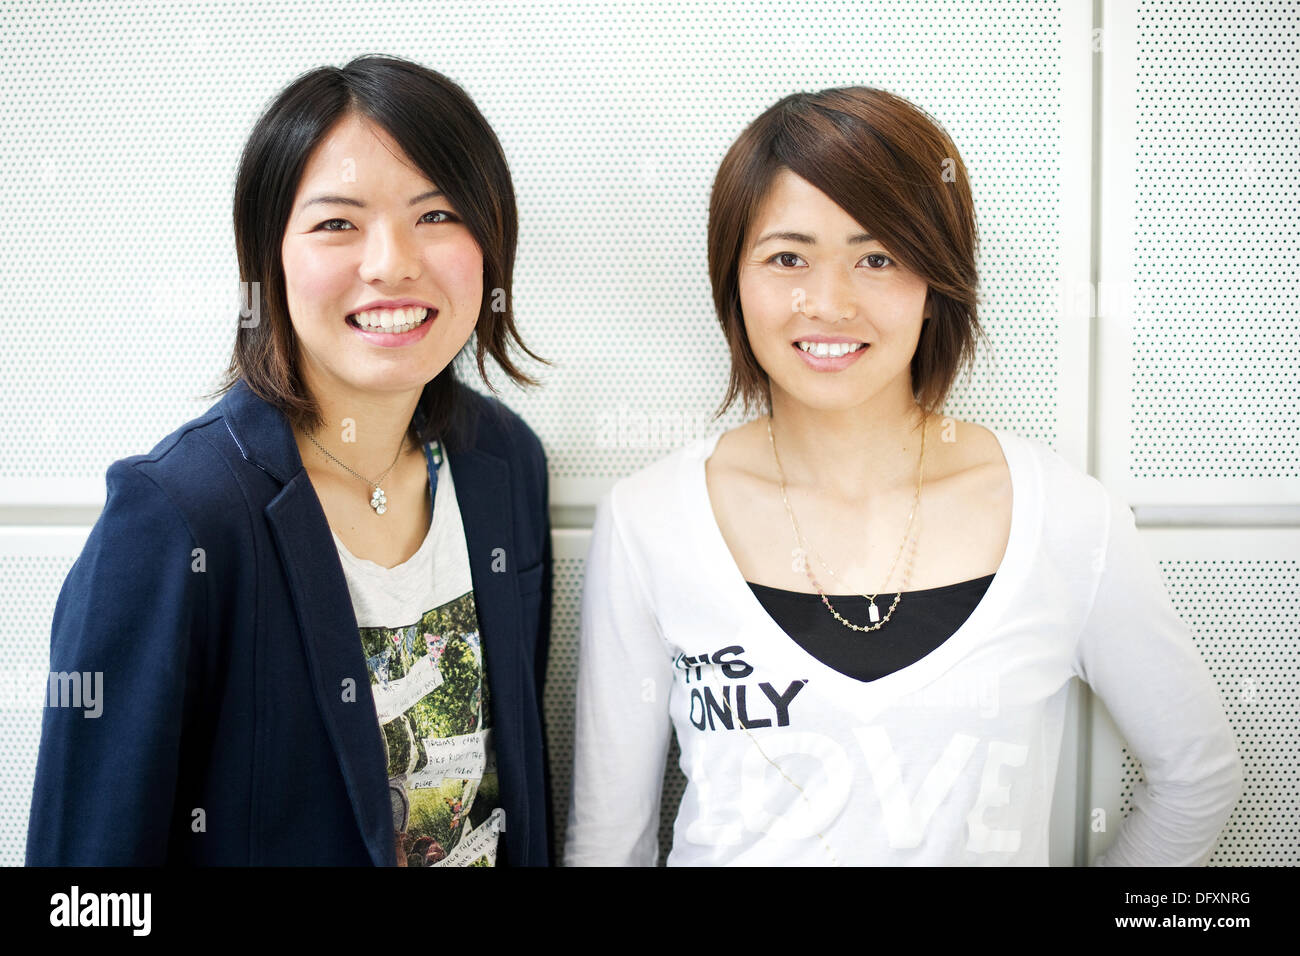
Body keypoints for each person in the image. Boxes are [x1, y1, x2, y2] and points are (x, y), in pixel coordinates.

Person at [564, 86, 1243, 866]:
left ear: (933, 285)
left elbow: (1197, 775)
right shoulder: (651, 520)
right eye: (788, 257)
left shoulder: (1063, 519)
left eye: (877, 258)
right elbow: (606, 844)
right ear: (734, 279)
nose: (828, 302)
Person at [26, 55, 553, 867]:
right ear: (268, 261)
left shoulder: (503, 462)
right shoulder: (176, 514)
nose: (392, 263)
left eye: (438, 214)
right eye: (337, 223)